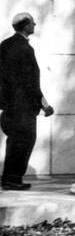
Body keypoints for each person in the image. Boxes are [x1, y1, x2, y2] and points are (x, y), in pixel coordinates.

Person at [0, 12, 54, 190]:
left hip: (9, 107)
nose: (35, 25)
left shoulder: (5, 45)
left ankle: (9, 179)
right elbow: (30, 82)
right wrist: (45, 105)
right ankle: (13, 179)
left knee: (14, 142)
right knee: (24, 141)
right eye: (32, 23)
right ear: (25, 26)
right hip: (23, 108)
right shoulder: (24, 48)